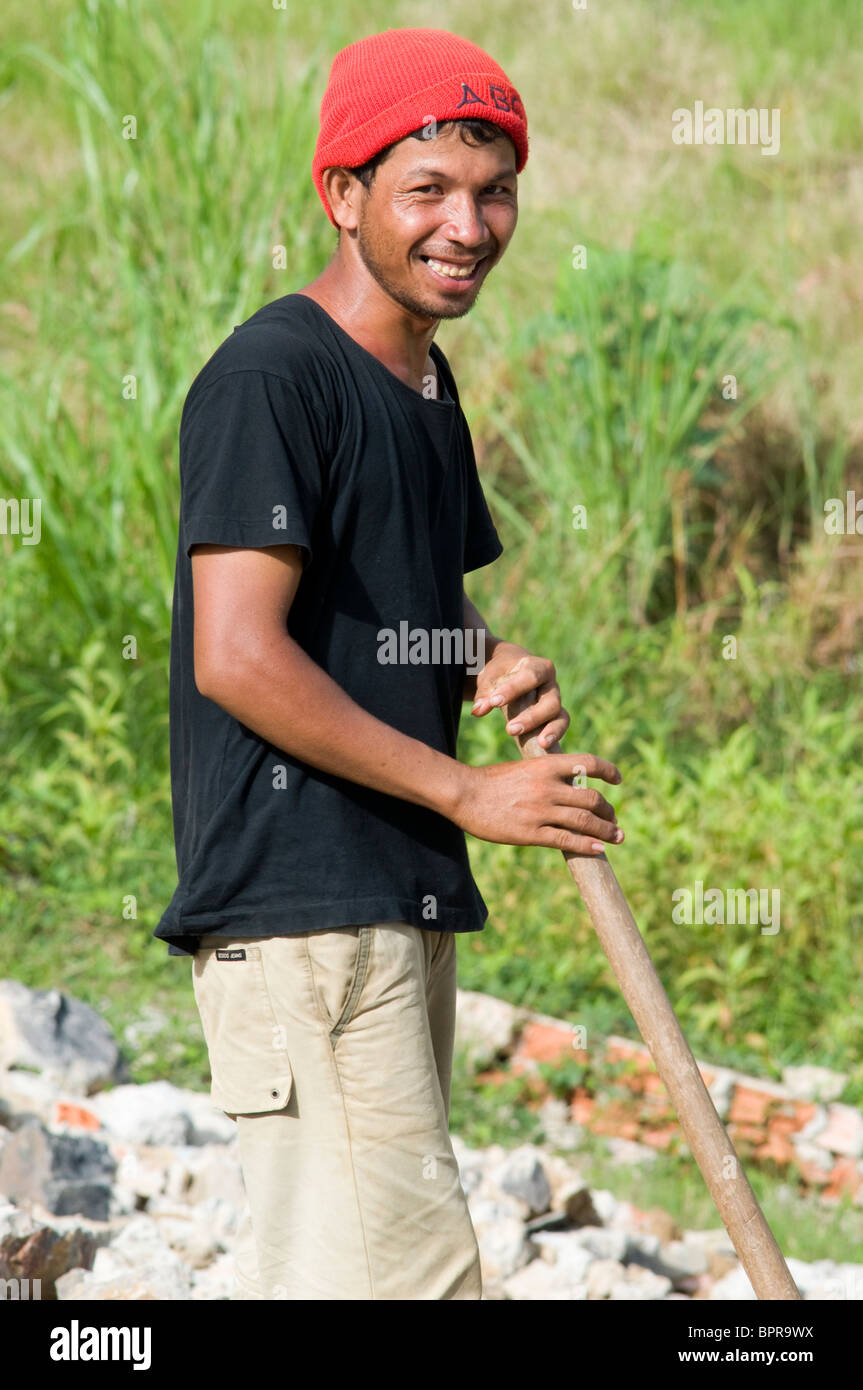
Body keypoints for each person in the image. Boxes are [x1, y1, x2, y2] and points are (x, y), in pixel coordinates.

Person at [154, 26, 624, 1301]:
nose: (467, 225)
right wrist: (471, 792)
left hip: (389, 905)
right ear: (343, 196)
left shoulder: (421, 385)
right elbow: (237, 655)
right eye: (427, 190)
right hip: (304, 914)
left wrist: (485, 661)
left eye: (494, 189)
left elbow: (396, 599)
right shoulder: (271, 378)